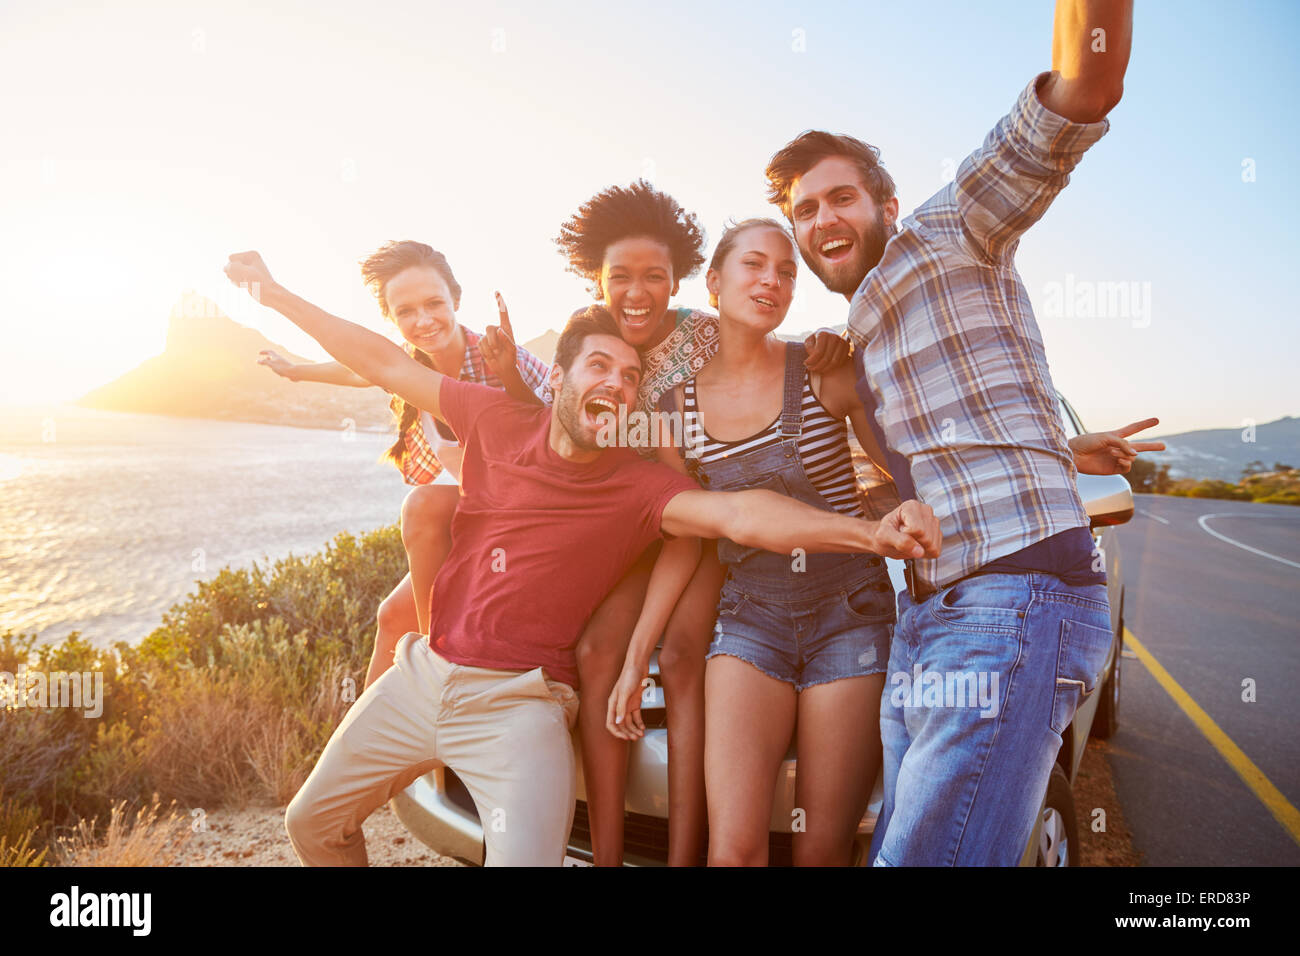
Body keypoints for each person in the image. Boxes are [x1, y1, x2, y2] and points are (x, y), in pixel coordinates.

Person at [223, 249, 940, 865]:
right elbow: (379, 360)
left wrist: (871, 536)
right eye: (600, 366)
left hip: (519, 706)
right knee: (310, 822)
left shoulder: (639, 486)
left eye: (630, 379)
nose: (617, 386)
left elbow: (742, 514)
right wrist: (275, 292)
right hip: (423, 675)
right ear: (558, 376)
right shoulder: (493, 416)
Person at [763, 0, 1157, 865]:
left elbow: (1085, 87)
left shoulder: (951, 234)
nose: (824, 218)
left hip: (1014, 600)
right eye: (805, 210)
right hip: (926, 621)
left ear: (886, 204)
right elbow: (905, 481)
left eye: (841, 197)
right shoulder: (854, 343)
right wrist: (850, 413)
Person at [555, 180, 854, 865]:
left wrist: (831, 344)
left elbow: (774, 348)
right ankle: (606, 853)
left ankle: (686, 853)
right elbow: (554, 407)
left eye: (653, 277)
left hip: (704, 528)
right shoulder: (591, 339)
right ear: (594, 281)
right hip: (635, 533)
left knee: (685, 654)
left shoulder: (707, 333)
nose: (635, 293)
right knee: (600, 653)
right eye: (618, 279)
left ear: (684, 280)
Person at [607, 218, 899, 866]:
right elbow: (686, 534)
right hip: (750, 620)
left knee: (819, 848)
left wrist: (1063, 452)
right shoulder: (675, 407)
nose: (772, 280)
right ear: (714, 282)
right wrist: (634, 659)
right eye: (754, 266)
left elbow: (906, 468)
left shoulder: (824, 372)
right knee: (732, 850)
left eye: (787, 272)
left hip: (850, 612)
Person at [256, 241, 551, 688]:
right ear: (391, 319)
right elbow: (359, 369)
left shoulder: (501, 358)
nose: (424, 320)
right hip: (483, 511)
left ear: (456, 299)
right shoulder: (409, 364)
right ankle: (365, 750)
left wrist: (510, 373)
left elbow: (563, 430)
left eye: (434, 304)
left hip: (535, 517)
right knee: (393, 616)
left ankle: (436, 669)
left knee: (425, 506)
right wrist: (296, 371)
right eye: (406, 311)